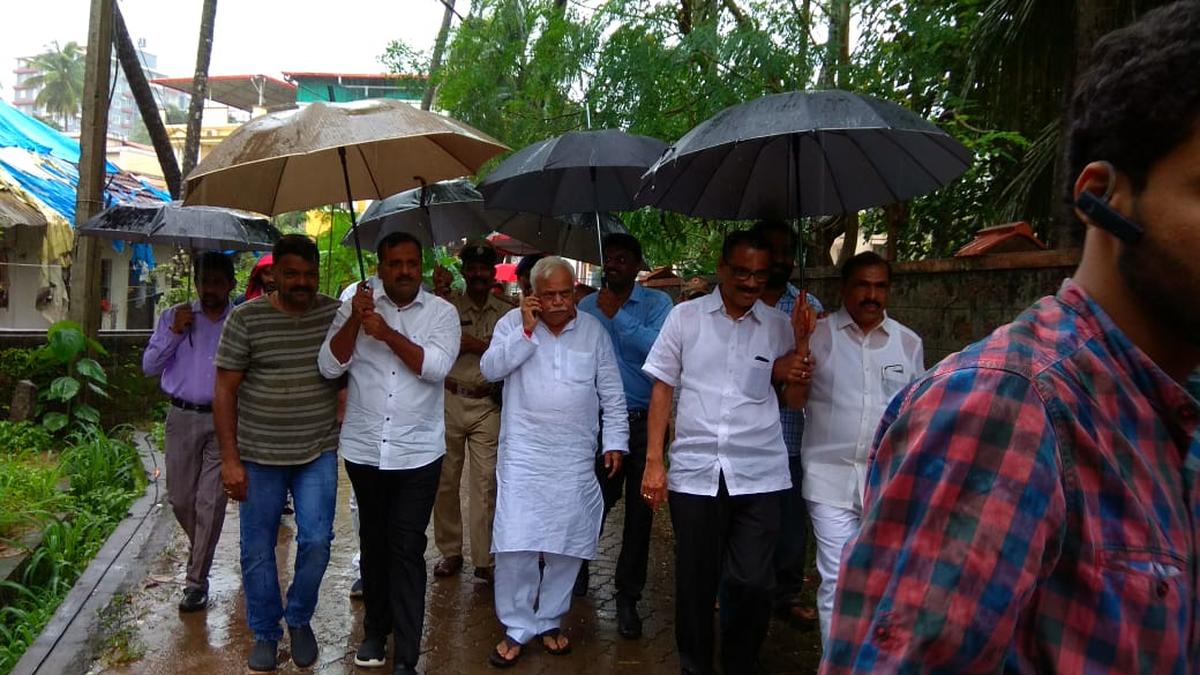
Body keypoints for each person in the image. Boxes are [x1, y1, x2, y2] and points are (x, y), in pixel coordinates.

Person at [822, 3, 1200, 672]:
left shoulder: (1174, 410)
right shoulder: (1004, 410)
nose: (872, 296)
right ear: (1101, 196)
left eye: (883, 286)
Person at [641, 230, 812, 675]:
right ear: (722, 269)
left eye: (760, 274)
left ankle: (740, 662)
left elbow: (795, 400)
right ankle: (695, 665)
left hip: (760, 472)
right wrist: (655, 462)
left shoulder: (779, 326)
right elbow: (662, 386)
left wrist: (801, 352)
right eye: (742, 272)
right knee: (696, 582)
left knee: (754, 581)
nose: (751, 283)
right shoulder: (685, 318)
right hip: (696, 471)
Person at [319, 231, 460, 674]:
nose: (404, 272)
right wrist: (355, 322)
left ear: (420, 266)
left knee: (406, 546)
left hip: (418, 452)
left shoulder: (442, 313)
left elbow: (435, 367)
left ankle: (409, 652)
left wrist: (386, 333)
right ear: (379, 267)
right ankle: (375, 632)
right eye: (394, 264)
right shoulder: (357, 307)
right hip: (364, 449)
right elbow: (328, 365)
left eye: (411, 263)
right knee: (374, 543)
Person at [480, 256, 629, 667]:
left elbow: (612, 393)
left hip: (574, 456)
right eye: (551, 295)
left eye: (567, 293)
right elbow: (490, 368)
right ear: (533, 294)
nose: (561, 302)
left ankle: (548, 619)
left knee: (567, 543)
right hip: (524, 456)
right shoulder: (512, 325)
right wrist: (526, 331)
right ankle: (516, 625)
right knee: (516, 542)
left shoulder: (594, 332)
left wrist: (614, 441)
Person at [213, 235, 342, 672]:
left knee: (318, 540)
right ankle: (266, 630)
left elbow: (348, 366)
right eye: (292, 274)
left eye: (309, 274)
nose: (302, 282)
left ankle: (300, 616)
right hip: (258, 454)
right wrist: (230, 460)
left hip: (316, 450)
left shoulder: (332, 314)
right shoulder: (246, 319)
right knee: (256, 547)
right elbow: (225, 391)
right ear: (274, 274)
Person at [791, 251, 923, 643]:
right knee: (838, 575)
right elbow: (794, 400)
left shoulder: (908, 344)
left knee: (879, 577)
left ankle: (869, 659)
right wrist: (800, 346)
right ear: (844, 289)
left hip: (885, 483)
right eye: (863, 285)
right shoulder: (818, 335)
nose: (872, 295)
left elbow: (916, 414)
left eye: (880, 286)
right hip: (828, 479)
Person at [576, 233, 673, 638]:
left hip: (644, 423)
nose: (613, 265)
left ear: (637, 266)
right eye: (608, 259)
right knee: (591, 504)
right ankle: (575, 576)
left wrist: (619, 315)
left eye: (622, 259)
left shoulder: (658, 305)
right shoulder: (584, 307)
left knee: (639, 515)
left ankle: (627, 597)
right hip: (596, 424)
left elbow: (662, 354)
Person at [142, 251, 236, 614]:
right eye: (202, 281)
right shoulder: (175, 317)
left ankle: (196, 582)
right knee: (181, 499)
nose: (208, 289)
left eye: (216, 282)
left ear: (230, 283)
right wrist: (174, 332)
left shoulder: (238, 320)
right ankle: (204, 548)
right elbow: (149, 366)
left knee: (210, 502)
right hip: (181, 417)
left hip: (224, 421)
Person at [749, 219, 824, 624]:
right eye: (771, 250)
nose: (779, 259)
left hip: (791, 435)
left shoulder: (807, 309)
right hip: (747, 439)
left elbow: (817, 370)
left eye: (785, 252)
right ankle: (737, 586)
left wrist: (803, 338)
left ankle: (787, 593)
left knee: (792, 522)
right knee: (745, 522)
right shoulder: (743, 301)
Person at [432, 240, 509, 584]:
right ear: (464, 272)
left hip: (486, 404)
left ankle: (484, 558)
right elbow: (428, 338)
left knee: (485, 482)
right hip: (449, 400)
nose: (478, 274)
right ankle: (450, 552)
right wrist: (435, 295)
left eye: (484, 269)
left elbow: (514, 349)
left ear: (492, 273)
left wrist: (475, 345)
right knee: (445, 482)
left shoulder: (508, 310)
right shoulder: (445, 306)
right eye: (472, 269)